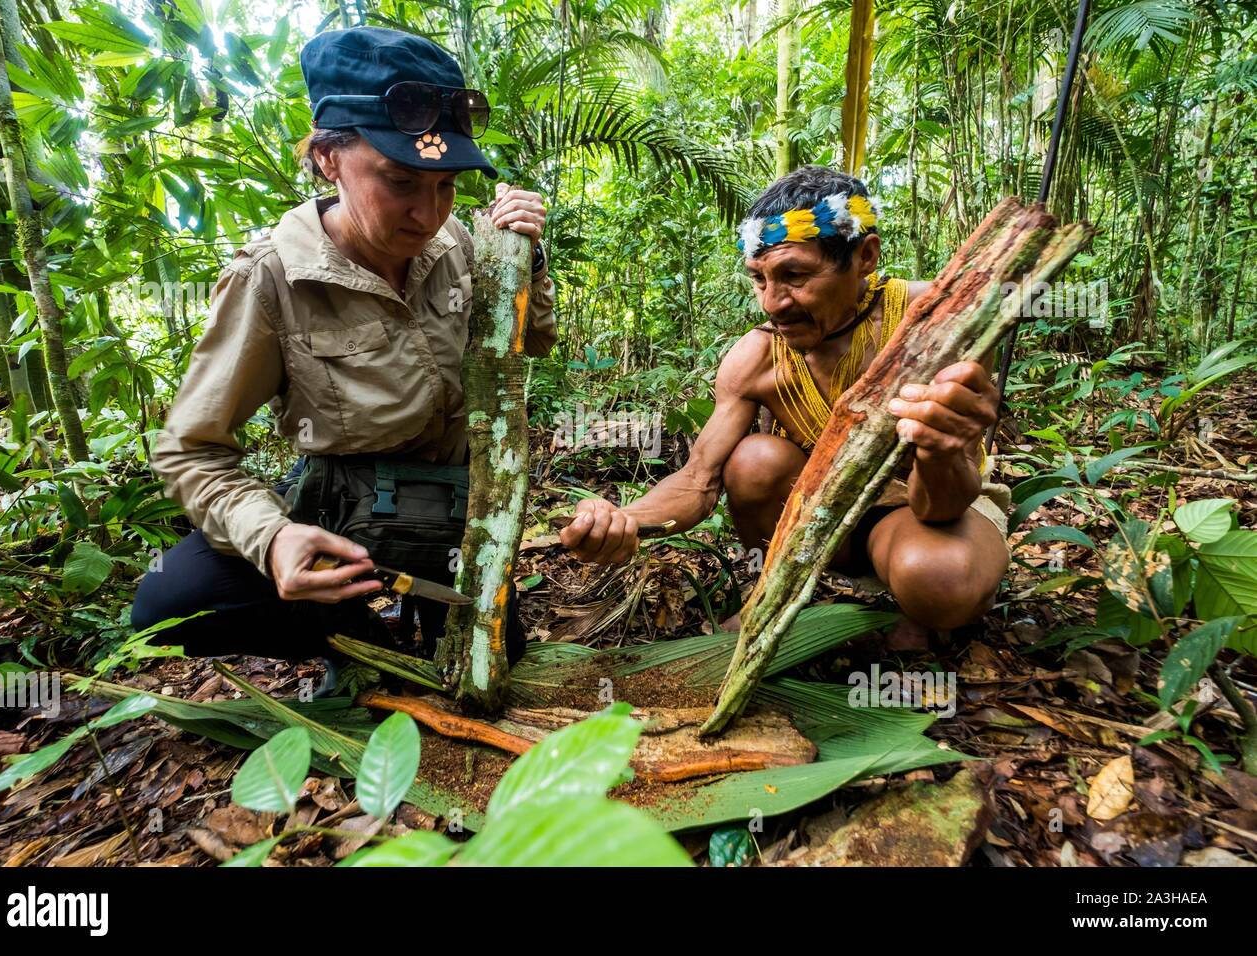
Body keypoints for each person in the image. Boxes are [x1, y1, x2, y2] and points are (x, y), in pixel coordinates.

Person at [131, 28, 556, 666]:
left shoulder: (460, 244)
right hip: (345, 520)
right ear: (329, 159)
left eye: (446, 187)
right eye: (400, 182)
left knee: (488, 671)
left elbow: (535, 344)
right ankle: (352, 638)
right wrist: (273, 538)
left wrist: (527, 262)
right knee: (172, 600)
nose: (428, 214)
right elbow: (189, 449)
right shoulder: (269, 279)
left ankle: (420, 620)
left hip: (453, 517)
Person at [560, 167, 1010, 646]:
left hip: (927, 512)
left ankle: (911, 605)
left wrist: (939, 450)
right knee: (755, 458)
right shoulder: (756, 357)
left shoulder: (935, 323)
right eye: (759, 280)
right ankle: (777, 587)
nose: (773, 303)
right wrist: (626, 520)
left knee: (938, 581)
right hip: (822, 519)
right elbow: (697, 478)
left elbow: (941, 503)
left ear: (865, 256)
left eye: (794, 275)